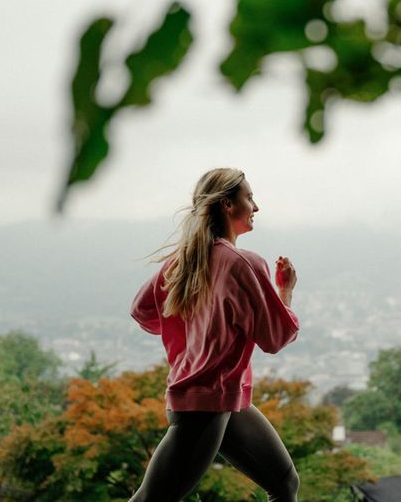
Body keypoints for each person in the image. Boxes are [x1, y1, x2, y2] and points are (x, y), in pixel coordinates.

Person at [128, 168, 301, 502]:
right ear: (227, 204)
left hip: (221, 397)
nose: (256, 206)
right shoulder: (242, 263)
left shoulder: (185, 261)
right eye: (249, 197)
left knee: (285, 484)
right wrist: (285, 292)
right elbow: (275, 336)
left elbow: (143, 311)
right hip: (205, 404)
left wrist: (194, 329)